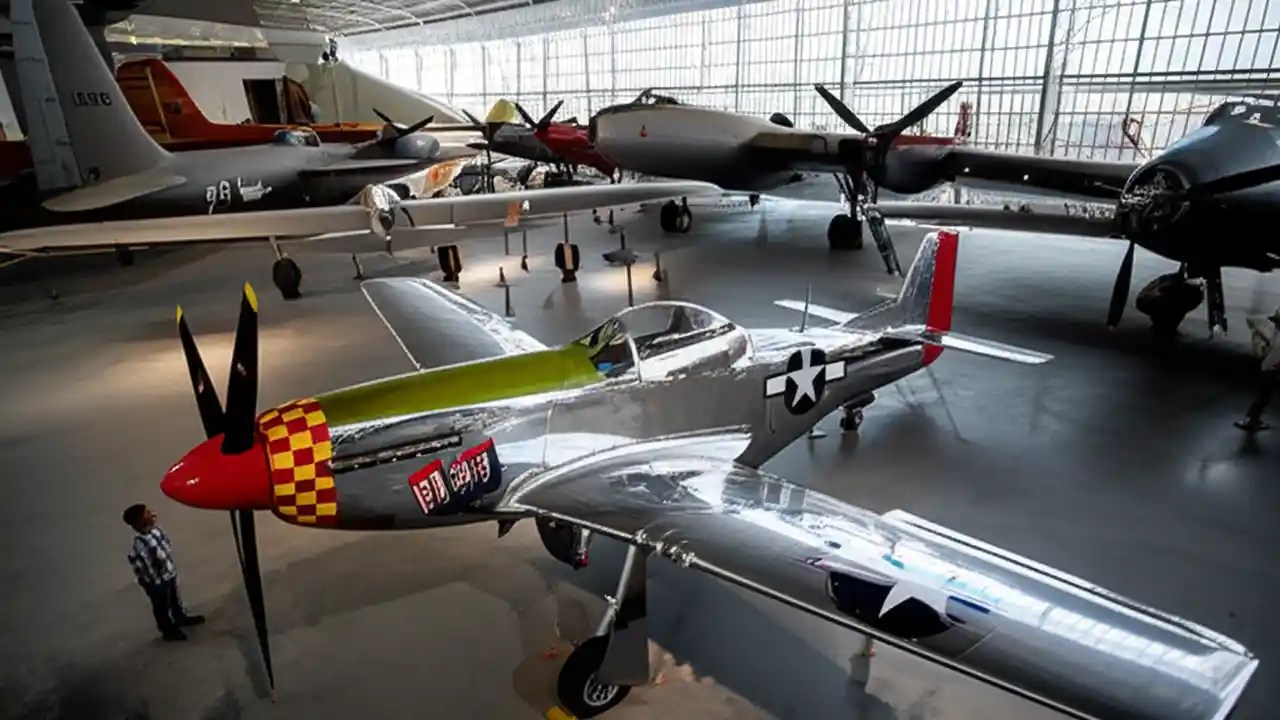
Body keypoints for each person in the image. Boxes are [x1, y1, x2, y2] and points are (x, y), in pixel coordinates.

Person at [123, 504, 204, 641]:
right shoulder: (140, 544)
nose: (153, 513)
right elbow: (141, 567)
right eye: (147, 513)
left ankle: (180, 617)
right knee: (161, 606)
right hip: (156, 582)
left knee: (174, 598)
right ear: (140, 521)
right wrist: (149, 583)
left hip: (168, 574)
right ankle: (168, 629)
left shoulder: (157, 531)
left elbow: (166, 546)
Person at [1236, 309, 1280, 432]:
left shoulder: (1276, 333)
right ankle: (1251, 419)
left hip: (1268, 368)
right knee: (1263, 396)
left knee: (1264, 396)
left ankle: (1252, 419)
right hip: (1270, 369)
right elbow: (1276, 359)